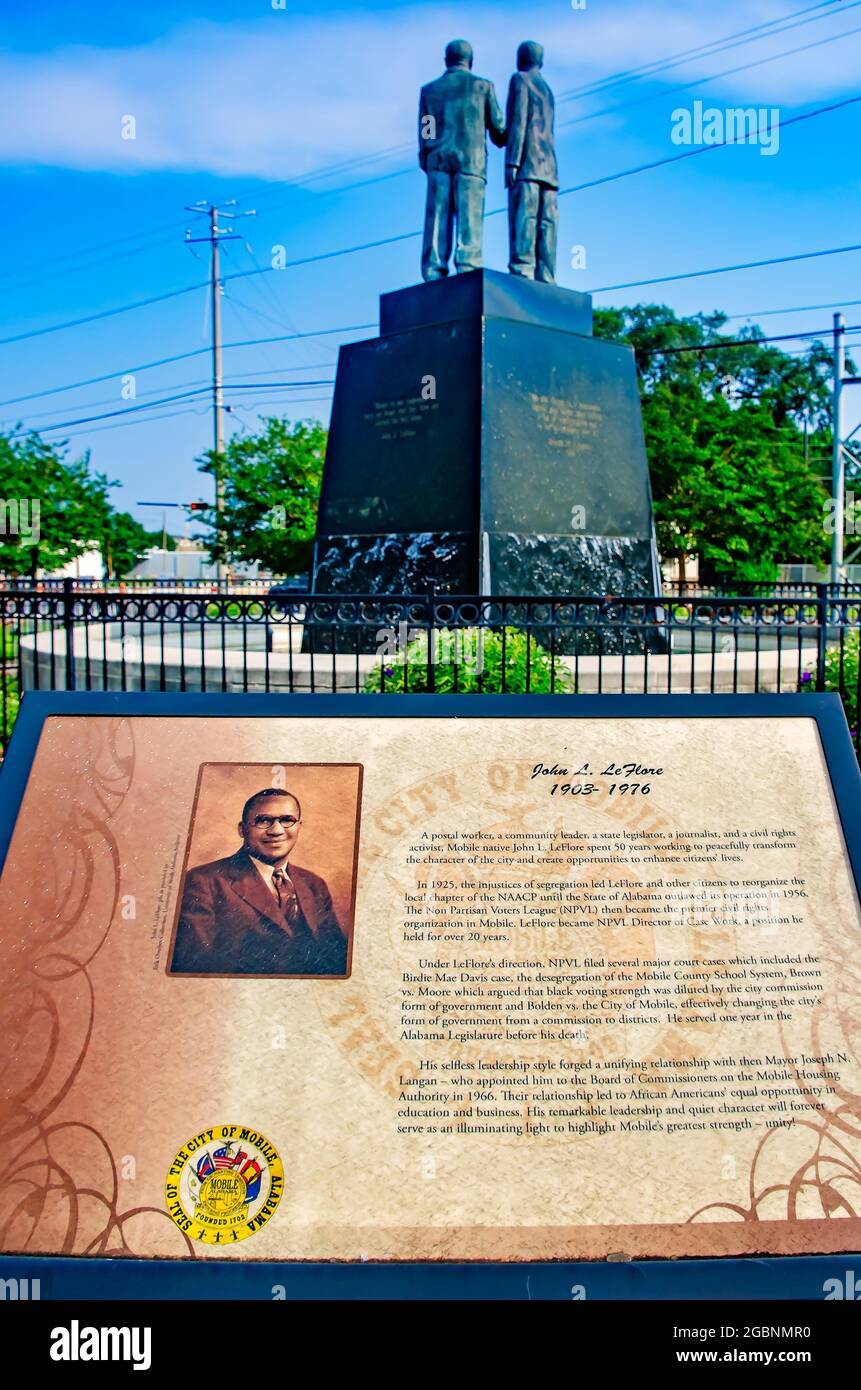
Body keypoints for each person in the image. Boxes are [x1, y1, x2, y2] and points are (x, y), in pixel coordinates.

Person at [171, 788, 348, 976]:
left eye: (287, 820)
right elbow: (195, 963)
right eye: (263, 820)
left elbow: (335, 958)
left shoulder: (314, 884)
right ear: (242, 829)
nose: (276, 831)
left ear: (299, 827)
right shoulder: (204, 881)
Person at [418, 38, 506, 281]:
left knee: (437, 218)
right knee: (470, 220)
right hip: (471, 162)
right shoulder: (482, 87)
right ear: (470, 61)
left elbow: (427, 130)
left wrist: (429, 154)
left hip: (439, 160)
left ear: (446, 60)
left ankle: (434, 269)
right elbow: (499, 129)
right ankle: (468, 266)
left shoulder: (430, 91)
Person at [505, 41, 559, 283]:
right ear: (541, 61)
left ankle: (523, 268)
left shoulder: (520, 80)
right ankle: (547, 274)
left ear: (521, 58)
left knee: (525, 216)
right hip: (549, 167)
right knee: (547, 222)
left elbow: (518, 122)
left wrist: (512, 162)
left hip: (528, 162)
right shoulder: (548, 90)